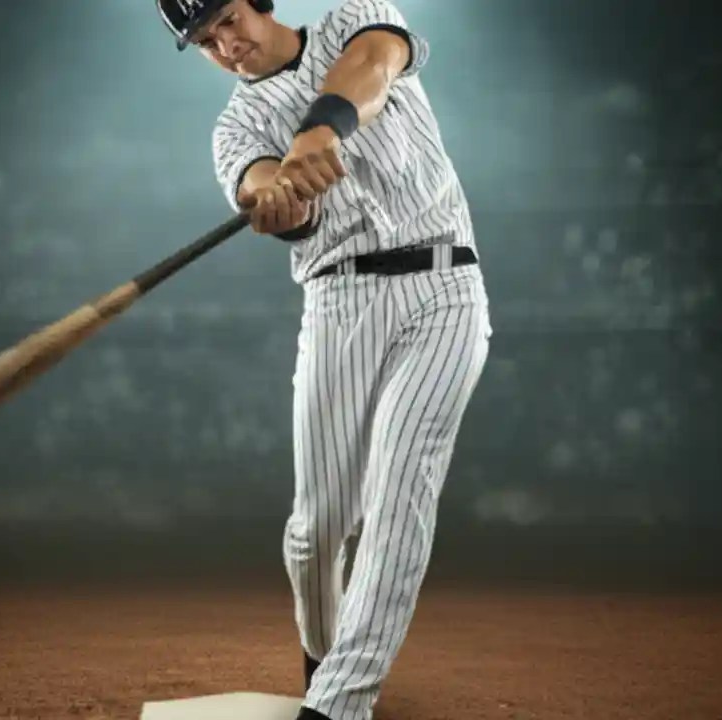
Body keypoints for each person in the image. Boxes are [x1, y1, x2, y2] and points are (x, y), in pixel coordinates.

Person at [155, 1, 492, 718]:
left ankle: (337, 703)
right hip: (339, 303)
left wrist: (319, 128)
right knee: (317, 530)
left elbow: (373, 66)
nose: (226, 42)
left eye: (229, 17)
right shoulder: (234, 127)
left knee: (398, 496)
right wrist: (277, 200)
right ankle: (324, 655)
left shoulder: (354, 17)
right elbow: (258, 186)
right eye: (206, 38)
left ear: (263, 0)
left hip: (445, 287)